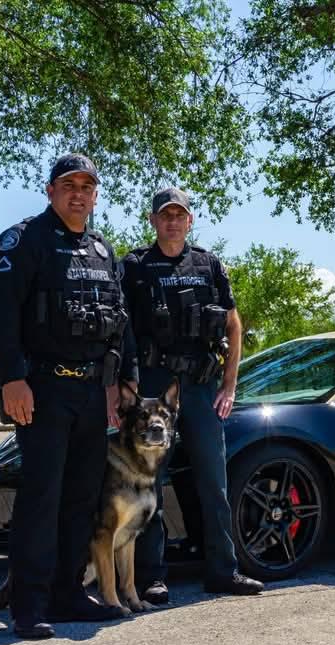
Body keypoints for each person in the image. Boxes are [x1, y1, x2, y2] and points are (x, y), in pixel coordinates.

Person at [0, 153, 135, 639]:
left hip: (92, 392)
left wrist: (123, 380)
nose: (78, 193)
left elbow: (120, 322)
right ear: (50, 191)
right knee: (41, 498)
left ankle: (69, 592)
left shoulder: (101, 249)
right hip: (42, 388)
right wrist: (12, 378)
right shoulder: (23, 240)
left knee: (81, 498)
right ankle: (29, 604)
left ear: (95, 195)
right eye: (68, 184)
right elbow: (3, 313)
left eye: (86, 186)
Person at [125, 187, 262, 602]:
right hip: (152, 386)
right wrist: (124, 389)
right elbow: (123, 330)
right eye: (165, 215)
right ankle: (152, 576)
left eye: (179, 214)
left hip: (201, 387)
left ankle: (224, 571)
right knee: (149, 481)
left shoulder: (208, 264)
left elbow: (234, 326)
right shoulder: (135, 266)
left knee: (213, 482)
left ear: (190, 219)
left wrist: (229, 385)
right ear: (153, 221)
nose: (172, 221)